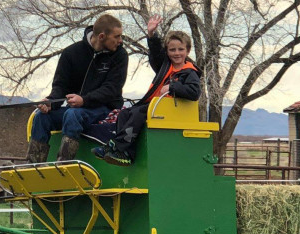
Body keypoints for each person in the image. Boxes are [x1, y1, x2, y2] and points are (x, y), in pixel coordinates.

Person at [92, 15, 201, 166]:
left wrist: (172, 87)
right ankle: (125, 154)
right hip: (155, 106)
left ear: (187, 51)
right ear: (167, 51)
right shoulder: (165, 67)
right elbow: (156, 54)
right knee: (125, 114)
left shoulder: (190, 72)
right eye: (172, 50)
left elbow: (194, 92)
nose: (176, 53)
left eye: (181, 49)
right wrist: (151, 34)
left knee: (139, 112)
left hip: (169, 109)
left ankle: (116, 145)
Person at [26, 13, 128, 163]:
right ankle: (33, 165)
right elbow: (60, 86)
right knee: (41, 117)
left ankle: (63, 164)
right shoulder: (70, 53)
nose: (120, 41)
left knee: (72, 114)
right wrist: (51, 102)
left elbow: (112, 89)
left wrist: (84, 100)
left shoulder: (120, 55)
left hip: (104, 109)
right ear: (101, 36)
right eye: (117, 36)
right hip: (76, 110)